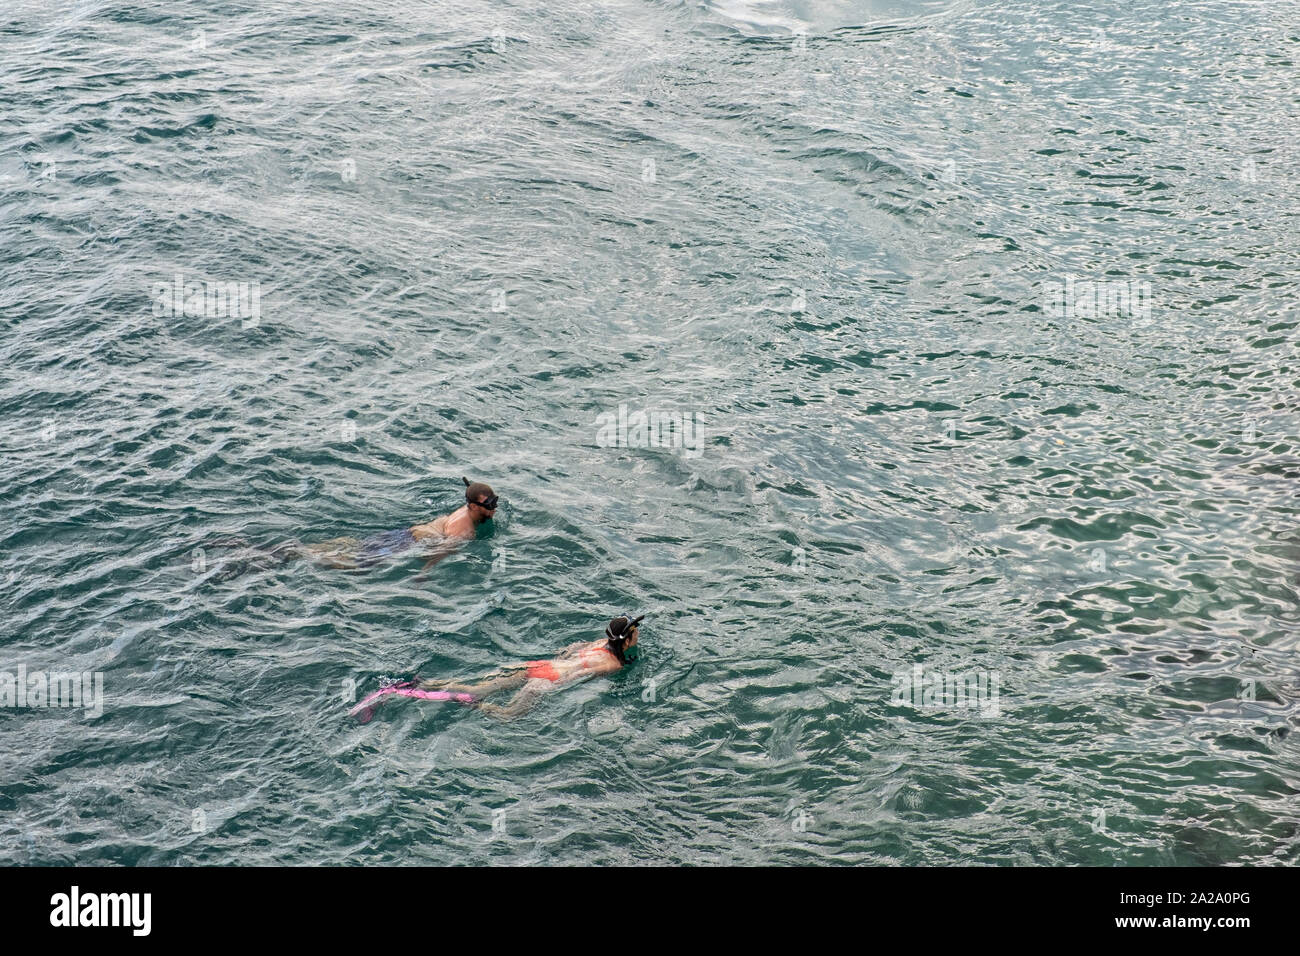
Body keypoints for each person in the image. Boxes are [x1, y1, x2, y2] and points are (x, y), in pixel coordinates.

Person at [208, 477, 497, 574]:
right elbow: (438, 554)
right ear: (473, 506)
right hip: (410, 543)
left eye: (495, 501)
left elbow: (472, 491)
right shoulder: (465, 530)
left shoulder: (466, 507)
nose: (493, 508)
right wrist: (423, 574)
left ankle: (261, 550)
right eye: (488, 504)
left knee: (347, 548)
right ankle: (263, 559)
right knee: (345, 563)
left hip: (405, 533)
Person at [418, 614, 644, 720]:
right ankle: (471, 705)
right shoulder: (613, 664)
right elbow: (581, 674)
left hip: (541, 666)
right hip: (547, 681)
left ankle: (426, 684)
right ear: (626, 641)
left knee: (476, 687)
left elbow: (573, 648)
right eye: (635, 630)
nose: (638, 631)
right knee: (507, 716)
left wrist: (561, 659)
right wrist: (557, 688)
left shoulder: (599, 643)